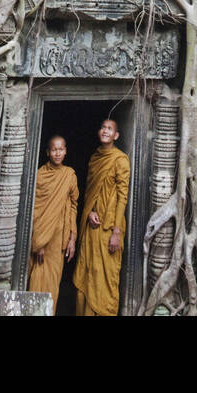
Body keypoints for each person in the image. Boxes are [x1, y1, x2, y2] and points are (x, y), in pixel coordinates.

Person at [73, 116, 131, 316]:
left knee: (104, 276)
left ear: (116, 135)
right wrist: (89, 212)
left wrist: (117, 231)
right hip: (92, 227)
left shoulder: (120, 160)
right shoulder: (95, 158)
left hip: (109, 229)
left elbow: (123, 196)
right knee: (86, 273)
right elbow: (89, 193)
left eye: (110, 128)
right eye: (102, 127)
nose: (105, 131)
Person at [28, 135, 78, 315]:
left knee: (53, 285)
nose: (58, 153)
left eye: (61, 149)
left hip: (58, 239)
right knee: (36, 280)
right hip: (40, 240)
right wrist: (39, 241)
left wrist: (72, 239)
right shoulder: (39, 176)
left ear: (65, 151)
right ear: (47, 152)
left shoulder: (69, 175)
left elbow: (73, 206)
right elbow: (34, 209)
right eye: (54, 150)